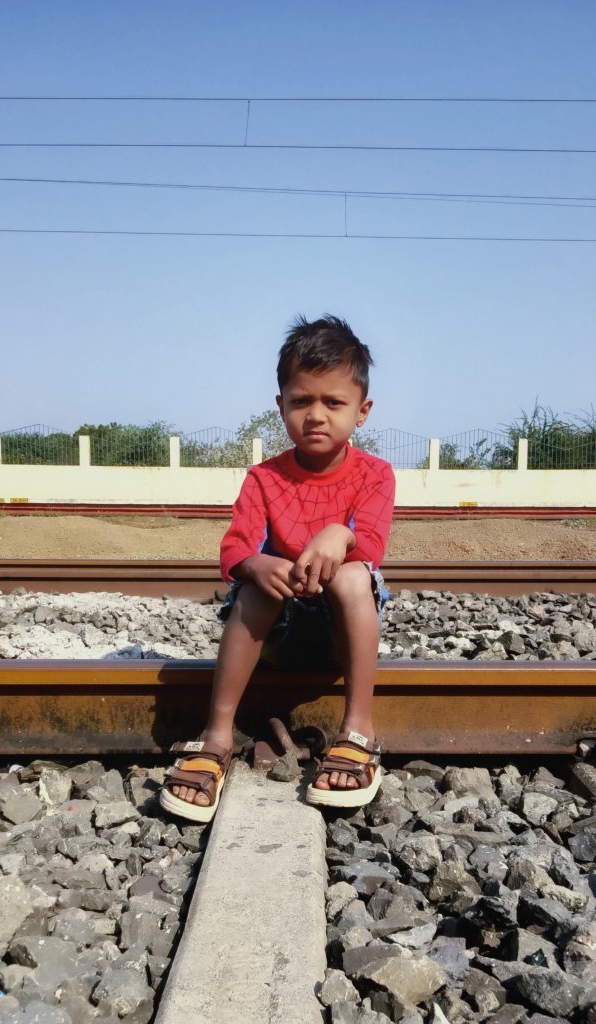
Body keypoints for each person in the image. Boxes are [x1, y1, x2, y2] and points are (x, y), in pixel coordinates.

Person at [160, 315, 396, 823]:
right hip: (279, 631)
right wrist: (255, 562)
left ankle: (358, 730)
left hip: (341, 630)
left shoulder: (375, 475)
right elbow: (233, 550)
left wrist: (342, 534)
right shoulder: (263, 479)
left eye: (334, 402)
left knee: (355, 574)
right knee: (254, 586)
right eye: (301, 401)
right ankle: (217, 736)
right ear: (281, 406)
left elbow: (372, 544)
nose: (316, 415)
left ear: (362, 411)